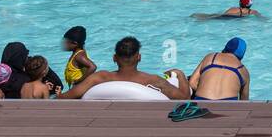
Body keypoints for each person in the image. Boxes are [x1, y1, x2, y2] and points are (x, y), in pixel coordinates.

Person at [60, 36, 191, 100]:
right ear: (139, 57)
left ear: (114, 58)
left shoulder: (100, 78)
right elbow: (185, 99)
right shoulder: (154, 81)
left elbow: (65, 98)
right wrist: (180, 75)